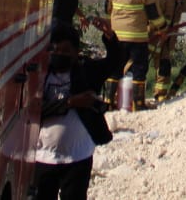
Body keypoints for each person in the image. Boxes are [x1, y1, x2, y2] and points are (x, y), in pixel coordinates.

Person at [34, 22, 124, 200]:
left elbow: (116, 61)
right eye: (55, 50)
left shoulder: (87, 72)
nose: (59, 54)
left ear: (76, 52)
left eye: (65, 51)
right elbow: (34, 109)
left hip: (78, 156)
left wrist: (110, 37)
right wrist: (70, 103)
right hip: (43, 156)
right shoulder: (40, 75)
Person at [106, 0, 165, 109]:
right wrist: (162, 27)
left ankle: (108, 103)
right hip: (136, 37)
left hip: (116, 36)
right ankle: (138, 104)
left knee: (115, 68)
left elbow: (107, 8)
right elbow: (154, 14)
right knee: (139, 69)